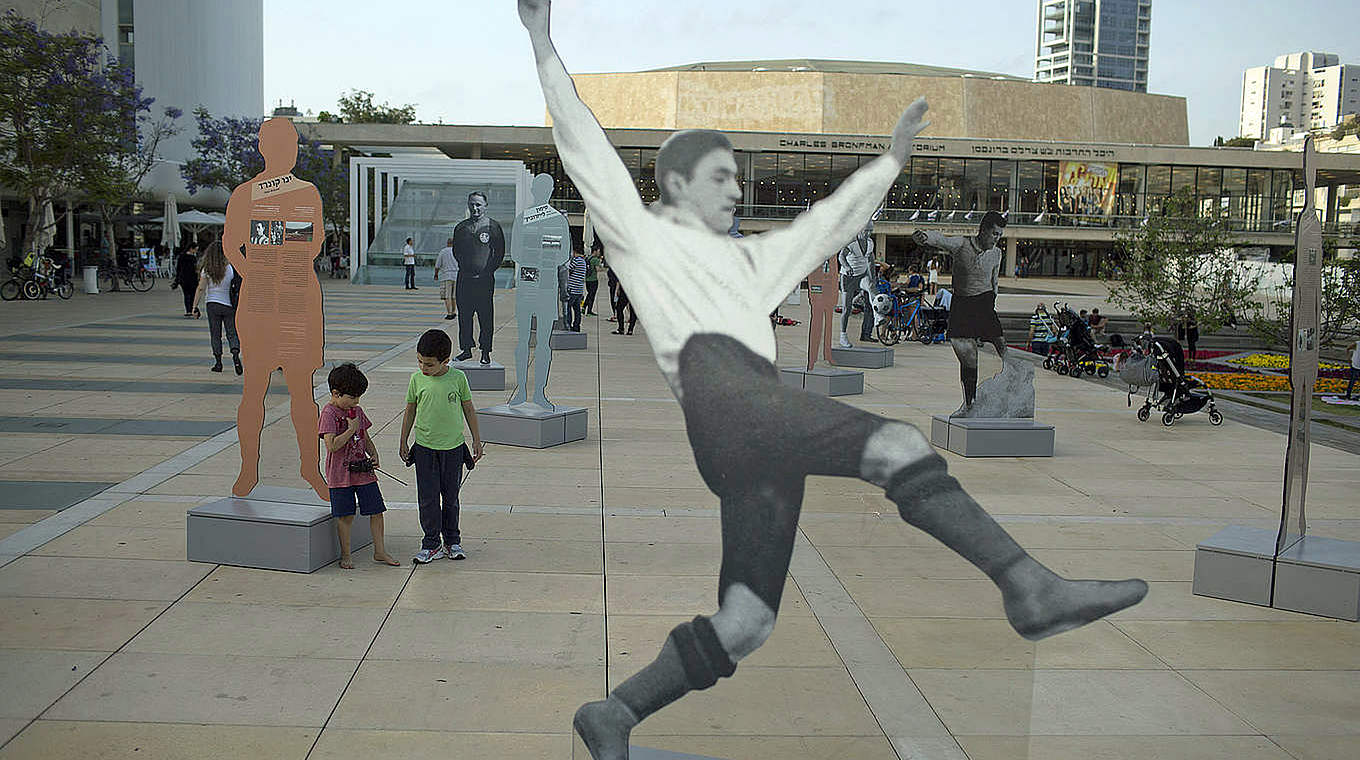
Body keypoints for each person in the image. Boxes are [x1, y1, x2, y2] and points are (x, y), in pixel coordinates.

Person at [518, 3, 1148, 757]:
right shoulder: (643, 240)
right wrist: (541, 41)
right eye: (721, 177)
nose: (734, 190)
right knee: (896, 443)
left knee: (748, 620)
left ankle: (617, 711)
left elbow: (828, 223)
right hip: (728, 400)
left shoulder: (750, 262)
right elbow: (584, 145)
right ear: (678, 184)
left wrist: (890, 161)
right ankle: (1028, 586)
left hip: (750, 436)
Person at [223, 118, 328, 501]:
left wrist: (277, 244)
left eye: (295, 145)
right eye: (285, 145)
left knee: (303, 390)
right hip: (261, 302)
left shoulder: (308, 191)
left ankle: (310, 468)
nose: (292, 152)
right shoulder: (245, 193)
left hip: (299, 300)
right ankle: (249, 468)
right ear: (265, 148)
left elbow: (313, 244)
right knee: (254, 389)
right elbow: (231, 244)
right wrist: (253, 271)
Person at [399, 329, 484, 565]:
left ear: (446, 360)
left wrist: (476, 439)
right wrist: (403, 439)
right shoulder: (416, 380)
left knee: (451, 498)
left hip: (453, 449)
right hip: (425, 449)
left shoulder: (458, 379)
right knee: (427, 499)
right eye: (419, 362)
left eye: (428, 364)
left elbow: (468, 409)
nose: (423, 367)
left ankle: (452, 541)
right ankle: (430, 543)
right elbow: (410, 411)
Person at [913, 211, 1009, 415]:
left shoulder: (996, 254)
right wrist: (925, 236)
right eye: (994, 234)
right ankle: (969, 403)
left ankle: (1010, 389)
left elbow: (994, 281)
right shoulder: (961, 245)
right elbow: (941, 239)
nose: (997, 238)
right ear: (983, 231)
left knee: (1002, 349)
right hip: (962, 305)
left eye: (1000, 235)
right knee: (968, 358)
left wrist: (992, 302)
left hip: (984, 303)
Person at [318, 363, 400, 569]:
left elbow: (365, 436)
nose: (356, 402)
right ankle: (346, 555)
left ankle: (379, 551)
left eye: (358, 398)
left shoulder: (357, 411)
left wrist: (373, 453)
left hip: (363, 471)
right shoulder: (328, 413)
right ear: (336, 393)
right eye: (352, 397)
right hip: (340, 474)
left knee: (376, 510)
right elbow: (332, 445)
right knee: (345, 515)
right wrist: (350, 429)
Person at [453, 191, 506, 365]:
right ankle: (466, 349)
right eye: (472, 204)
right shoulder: (461, 228)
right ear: (468, 205)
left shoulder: (493, 227)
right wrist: (467, 267)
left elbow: (499, 253)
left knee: (485, 316)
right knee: (465, 316)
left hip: (484, 281)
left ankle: (485, 351)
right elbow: (456, 252)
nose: (475, 208)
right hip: (465, 279)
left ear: (485, 206)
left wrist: (488, 270)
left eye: (478, 204)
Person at [190, 241, 241, 375]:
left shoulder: (206, 269)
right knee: (232, 332)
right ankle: (235, 355)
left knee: (215, 334)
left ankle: (218, 362)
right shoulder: (230, 268)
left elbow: (201, 288)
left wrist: (194, 306)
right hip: (229, 305)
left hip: (212, 304)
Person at [837, 221, 875, 348]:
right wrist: (846, 266)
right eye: (866, 231)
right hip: (848, 278)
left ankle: (878, 315)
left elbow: (870, 261)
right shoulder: (851, 242)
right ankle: (843, 335)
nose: (868, 234)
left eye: (870, 231)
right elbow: (841, 256)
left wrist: (872, 278)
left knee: (871, 287)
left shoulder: (870, 243)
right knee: (847, 309)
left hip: (861, 276)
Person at [434, 236, 458, 320]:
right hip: (456, 275)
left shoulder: (443, 252)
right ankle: (454, 312)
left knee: (447, 296)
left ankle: (449, 313)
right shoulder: (457, 252)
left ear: (447, 243)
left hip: (446, 276)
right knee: (454, 296)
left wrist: (436, 274)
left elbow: (437, 265)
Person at [174, 242, 200, 317]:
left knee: (186, 295)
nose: (196, 251)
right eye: (195, 250)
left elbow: (178, 268)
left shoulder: (181, 257)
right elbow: (195, 269)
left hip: (183, 279)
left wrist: (177, 278)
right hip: (192, 279)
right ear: (191, 249)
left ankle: (188, 310)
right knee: (192, 295)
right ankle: (192, 309)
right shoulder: (193, 258)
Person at [566, 244, 588, 331]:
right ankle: (576, 326)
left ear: (575, 252)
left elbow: (568, 270)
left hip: (572, 289)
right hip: (579, 290)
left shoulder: (576, 260)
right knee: (577, 310)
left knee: (568, 308)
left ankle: (568, 324)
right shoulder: (583, 262)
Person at [584, 239, 603, 315]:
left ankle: (584, 306)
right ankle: (589, 311)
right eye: (598, 251)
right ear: (594, 251)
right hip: (593, 280)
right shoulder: (595, 259)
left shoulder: (588, 258)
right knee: (592, 295)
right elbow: (598, 269)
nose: (599, 253)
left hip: (587, 279)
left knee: (589, 294)